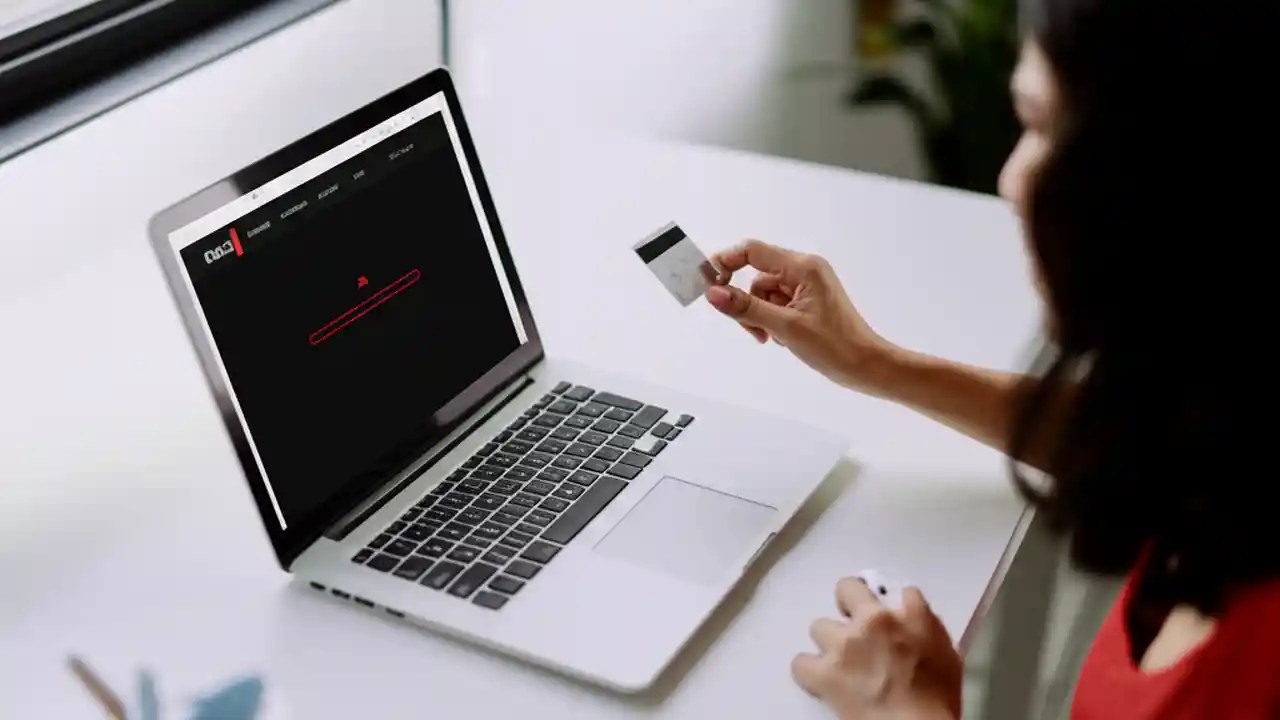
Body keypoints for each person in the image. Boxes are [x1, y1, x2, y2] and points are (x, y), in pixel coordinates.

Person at [703, 1, 1279, 717]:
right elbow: (1152, 447)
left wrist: (919, 712)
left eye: (1039, 127)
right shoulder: (1231, 418)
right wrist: (871, 361)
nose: (1010, 180)